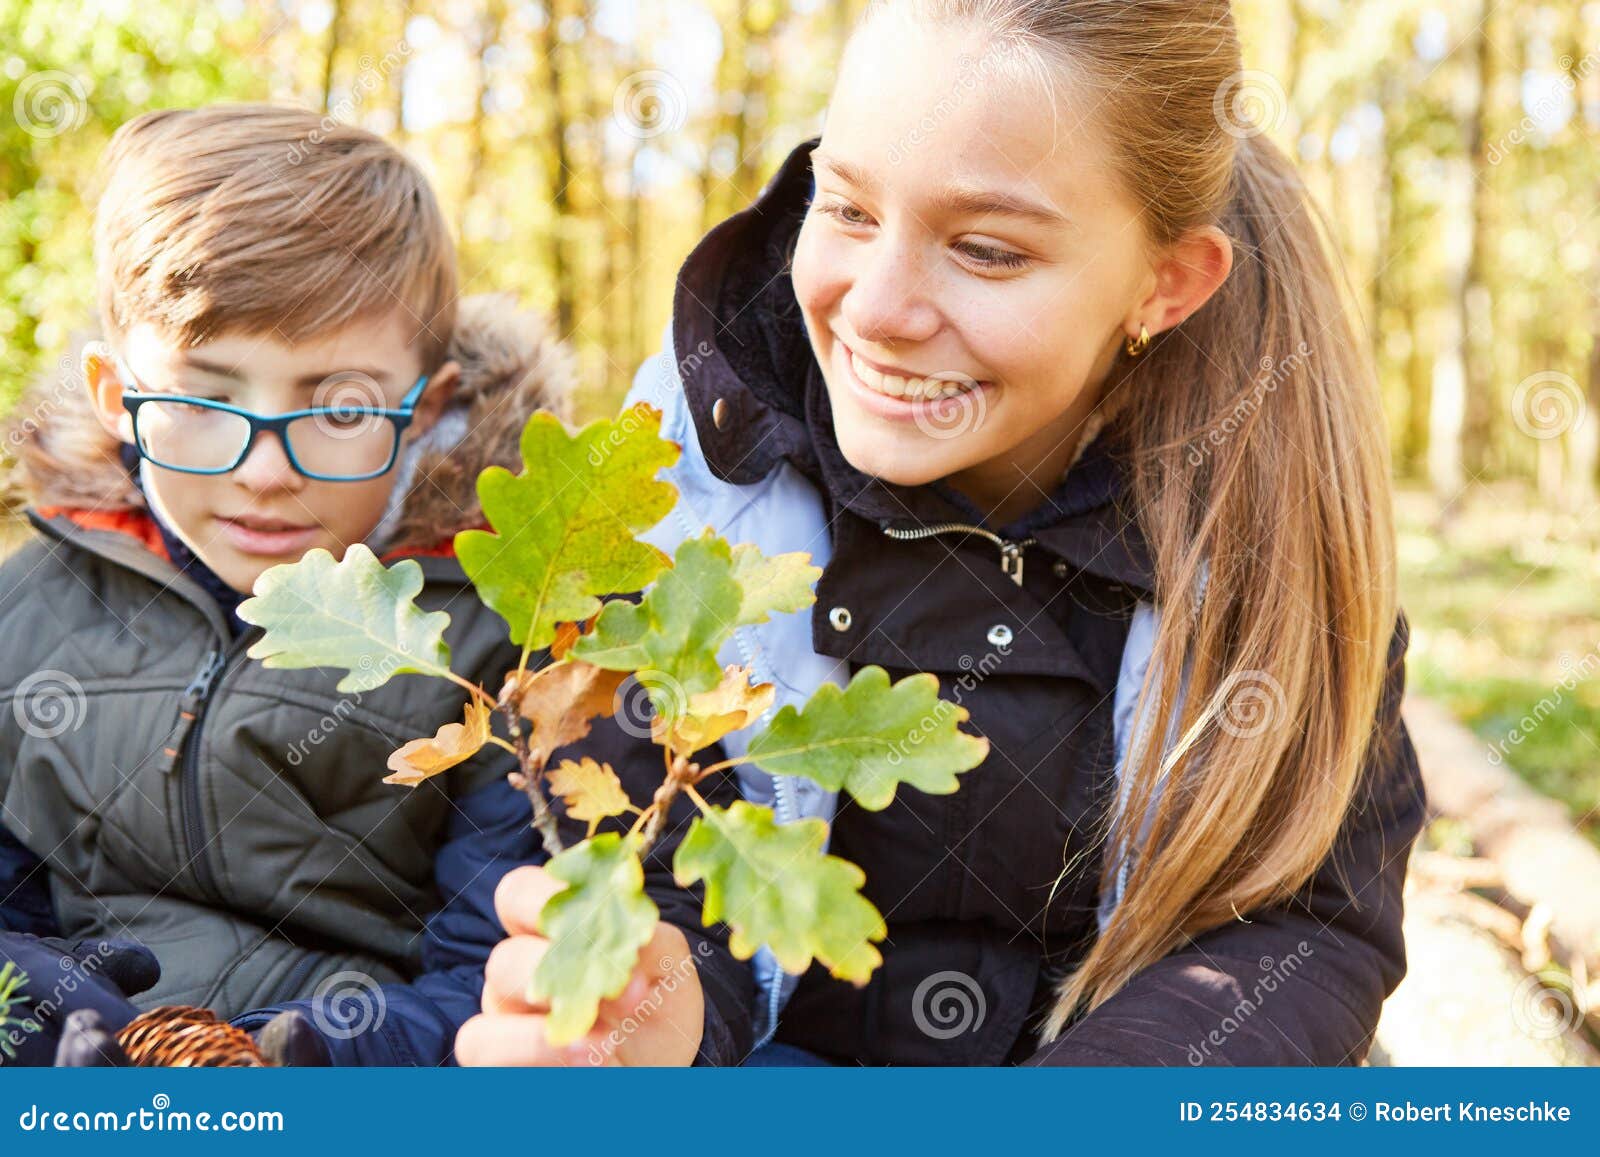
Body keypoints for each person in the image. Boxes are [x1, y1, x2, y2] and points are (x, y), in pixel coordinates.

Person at [457, 0, 1427, 1066]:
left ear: (1165, 283)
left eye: (986, 250)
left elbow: (1298, 922)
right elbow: (654, 844)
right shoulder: (670, 484)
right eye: (849, 209)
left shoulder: (1268, 525)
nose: (876, 309)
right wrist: (656, 1011)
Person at [0, 105, 572, 1065]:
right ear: (117, 395)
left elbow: (499, 973)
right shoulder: (31, 609)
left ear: (421, 405)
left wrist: (313, 1063)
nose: (265, 470)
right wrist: (26, 1002)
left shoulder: (496, 645)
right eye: (206, 397)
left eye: (338, 404)